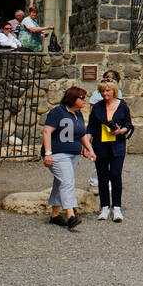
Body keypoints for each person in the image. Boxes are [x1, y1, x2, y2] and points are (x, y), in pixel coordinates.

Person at [42, 86, 95, 229]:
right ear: (73, 98)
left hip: (73, 154)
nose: (85, 100)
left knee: (60, 183)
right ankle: (71, 214)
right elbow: (47, 131)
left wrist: (89, 149)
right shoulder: (58, 112)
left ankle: (55, 214)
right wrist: (48, 153)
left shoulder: (78, 114)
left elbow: (82, 134)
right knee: (67, 181)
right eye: (82, 98)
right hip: (59, 153)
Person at [87, 76, 132, 222]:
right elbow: (91, 127)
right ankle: (105, 206)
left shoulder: (122, 105)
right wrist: (87, 144)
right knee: (102, 176)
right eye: (103, 91)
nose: (105, 94)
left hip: (117, 144)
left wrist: (121, 131)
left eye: (108, 91)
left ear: (114, 91)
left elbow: (128, 124)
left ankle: (117, 207)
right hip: (101, 145)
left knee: (115, 174)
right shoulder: (98, 107)